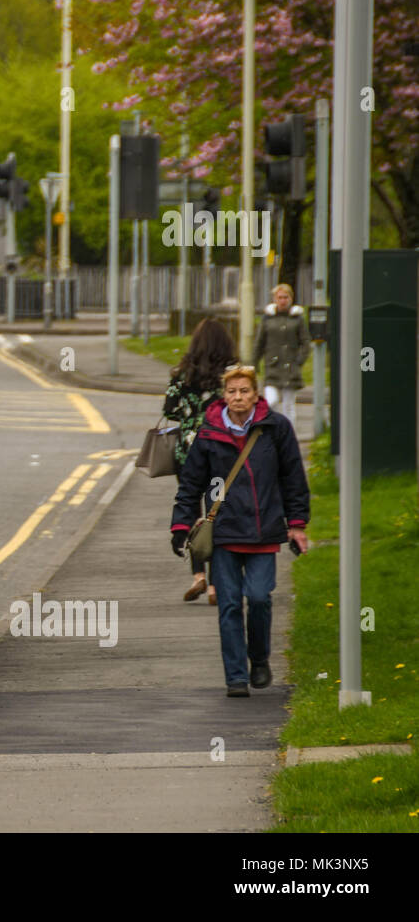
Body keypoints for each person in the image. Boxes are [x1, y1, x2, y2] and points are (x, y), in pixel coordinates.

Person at [170, 364, 310, 697]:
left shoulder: (276, 428)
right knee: (230, 605)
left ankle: (259, 660)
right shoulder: (208, 434)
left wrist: (297, 524)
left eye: (244, 391)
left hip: (264, 532)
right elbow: (191, 483)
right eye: (231, 391)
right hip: (225, 533)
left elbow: (293, 479)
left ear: (256, 394)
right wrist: (180, 525)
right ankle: (235, 677)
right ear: (224, 395)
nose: (238, 397)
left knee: (260, 599)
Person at [163, 318, 237, 605]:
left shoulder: (183, 373)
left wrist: (189, 416)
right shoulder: (232, 374)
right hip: (221, 450)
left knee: (192, 511)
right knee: (217, 513)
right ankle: (216, 585)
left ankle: (198, 576)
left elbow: (168, 409)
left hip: (187, 453)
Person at [253, 283, 310, 430]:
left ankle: (289, 435)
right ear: (274, 299)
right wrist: (254, 363)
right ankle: (271, 431)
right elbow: (259, 342)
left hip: (291, 369)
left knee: (289, 405)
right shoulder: (267, 318)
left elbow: (305, 342)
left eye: (285, 297)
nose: (283, 300)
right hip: (272, 367)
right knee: (270, 401)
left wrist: (299, 360)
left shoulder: (297, 318)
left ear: (291, 298)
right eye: (279, 297)